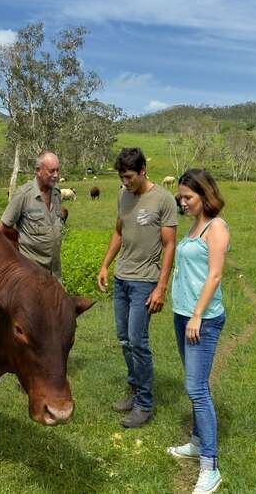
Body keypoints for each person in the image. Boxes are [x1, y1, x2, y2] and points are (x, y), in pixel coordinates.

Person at [96, 148, 177, 428]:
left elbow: (169, 245)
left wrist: (161, 287)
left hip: (145, 281)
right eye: (122, 177)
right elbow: (119, 232)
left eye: (129, 177)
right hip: (122, 278)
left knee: (138, 341)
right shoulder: (123, 194)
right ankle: (134, 390)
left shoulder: (163, 199)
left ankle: (144, 403)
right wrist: (105, 265)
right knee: (124, 339)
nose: (125, 182)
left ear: (143, 170)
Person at [166, 168, 229, 494]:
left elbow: (215, 275)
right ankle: (196, 441)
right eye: (181, 198)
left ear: (205, 195)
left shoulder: (216, 227)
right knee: (194, 385)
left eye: (188, 197)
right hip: (183, 316)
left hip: (202, 320)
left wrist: (197, 316)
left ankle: (210, 466)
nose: (183, 202)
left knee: (197, 388)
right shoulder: (195, 225)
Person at [0, 152, 64, 278]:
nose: (56, 175)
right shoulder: (23, 195)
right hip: (31, 275)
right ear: (38, 171)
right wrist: (20, 239)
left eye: (57, 170)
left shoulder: (56, 193)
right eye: (51, 171)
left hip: (55, 274)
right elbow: (2, 228)